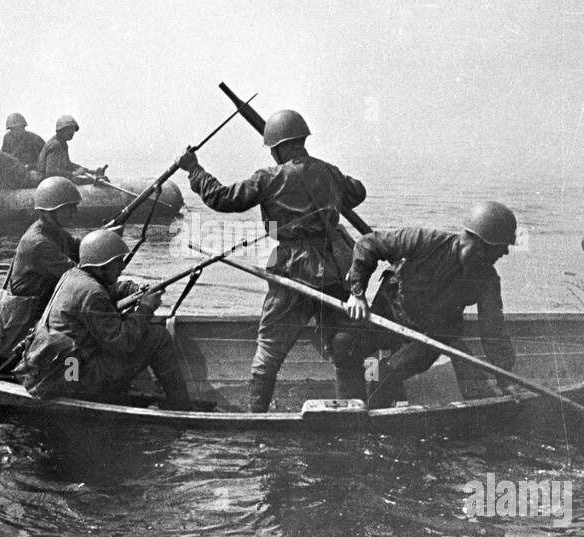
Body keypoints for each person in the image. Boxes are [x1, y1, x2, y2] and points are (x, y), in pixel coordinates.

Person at [176, 109, 367, 411]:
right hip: (335, 268)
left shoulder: (270, 177)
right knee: (344, 344)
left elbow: (224, 199)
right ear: (302, 140)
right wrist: (330, 186)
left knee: (268, 349)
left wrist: (195, 170)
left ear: (277, 147)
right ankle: (356, 411)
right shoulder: (329, 172)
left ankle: (257, 418)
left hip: (293, 269)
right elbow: (357, 192)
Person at [344, 203, 521, 406]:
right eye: (502, 246)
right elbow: (368, 244)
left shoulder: (487, 281)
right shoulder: (425, 241)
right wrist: (357, 293)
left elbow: (493, 330)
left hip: (431, 338)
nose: (505, 252)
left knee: (385, 373)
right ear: (482, 244)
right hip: (390, 315)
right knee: (345, 345)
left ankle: (373, 418)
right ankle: (351, 407)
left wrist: (505, 378)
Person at [18, 228, 192, 409]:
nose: (122, 267)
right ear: (100, 266)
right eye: (117, 262)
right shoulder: (93, 293)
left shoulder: (73, 276)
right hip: (72, 380)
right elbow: (124, 343)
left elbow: (107, 289)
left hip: (58, 370)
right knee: (158, 337)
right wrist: (145, 308)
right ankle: (181, 406)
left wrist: (133, 290)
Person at [0, 177, 83, 373]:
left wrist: (102, 238)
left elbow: (78, 248)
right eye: (69, 207)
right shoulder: (38, 243)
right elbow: (78, 275)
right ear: (51, 211)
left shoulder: (54, 232)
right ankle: (71, 378)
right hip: (20, 330)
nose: (74, 212)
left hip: (33, 317)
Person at [37, 115, 104, 183]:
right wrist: (74, 174)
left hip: (54, 182)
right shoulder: (55, 145)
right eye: (69, 130)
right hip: (47, 184)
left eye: (73, 130)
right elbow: (51, 172)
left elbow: (67, 164)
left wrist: (89, 171)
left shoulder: (62, 143)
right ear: (61, 130)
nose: (72, 133)